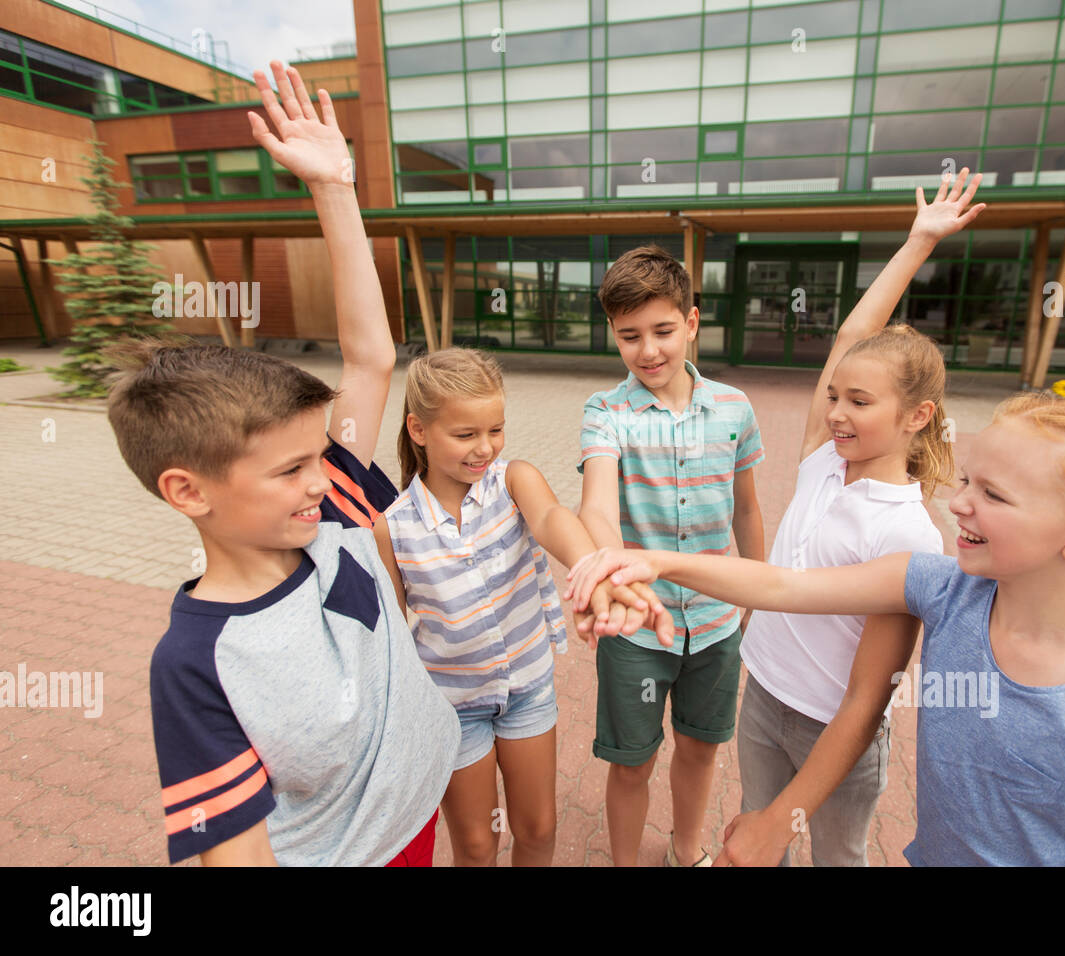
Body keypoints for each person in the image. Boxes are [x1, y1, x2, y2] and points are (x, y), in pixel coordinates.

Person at [567, 392, 1065, 866]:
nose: (958, 501)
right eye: (967, 479)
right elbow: (783, 586)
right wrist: (650, 560)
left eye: (994, 495)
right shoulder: (944, 588)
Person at [113, 62, 458, 865]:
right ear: (186, 490)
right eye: (289, 469)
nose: (326, 476)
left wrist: (336, 187)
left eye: (319, 456)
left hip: (422, 813)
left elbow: (370, 357)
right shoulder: (196, 664)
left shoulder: (326, 503)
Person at [723, 170, 985, 866]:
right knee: (758, 843)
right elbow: (853, 333)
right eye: (834, 395)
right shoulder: (820, 459)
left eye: (860, 402)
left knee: (833, 857)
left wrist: (789, 814)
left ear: (917, 415)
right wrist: (917, 243)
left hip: (833, 729)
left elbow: (869, 699)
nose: (837, 412)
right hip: (764, 695)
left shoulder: (907, 533)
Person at [372, 348, 663, 866]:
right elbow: (391, 633)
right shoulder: (391, 529)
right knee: (478, 844)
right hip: (452, 706)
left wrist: (595, 577)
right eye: (465, 435)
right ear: (418, 430)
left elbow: (554, 519)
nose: (485, 448)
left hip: (527, 687)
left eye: (496, 430)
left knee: (537, 828)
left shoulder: (514, 481)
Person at [576, 245, 763, 866]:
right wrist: (616, 580)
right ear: (613, 334)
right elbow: (597, 507)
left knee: (701, 747)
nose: (648, 350)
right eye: (630, 336)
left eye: (662, 330)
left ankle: (688, 853)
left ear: (691, 321)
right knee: (632, 764)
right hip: (634, 627)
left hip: (715, 622)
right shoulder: (606, 412)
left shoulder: (736, 408)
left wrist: (753, 591)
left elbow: (747, 508)